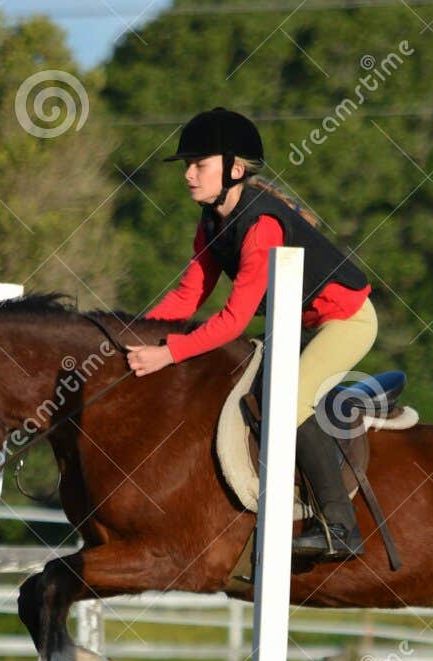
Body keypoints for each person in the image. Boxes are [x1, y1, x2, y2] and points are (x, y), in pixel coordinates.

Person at [126, 107, 377, 562]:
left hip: (346, 320)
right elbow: (187, 297)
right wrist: (132, 336)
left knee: (288, 398)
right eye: (188, 165)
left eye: (199, 164)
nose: (188, 175)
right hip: (299, 324)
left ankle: (340, 527)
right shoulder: (211, 222)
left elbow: (232, 322)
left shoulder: (261, 226)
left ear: (234, 170)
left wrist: (168, 354)